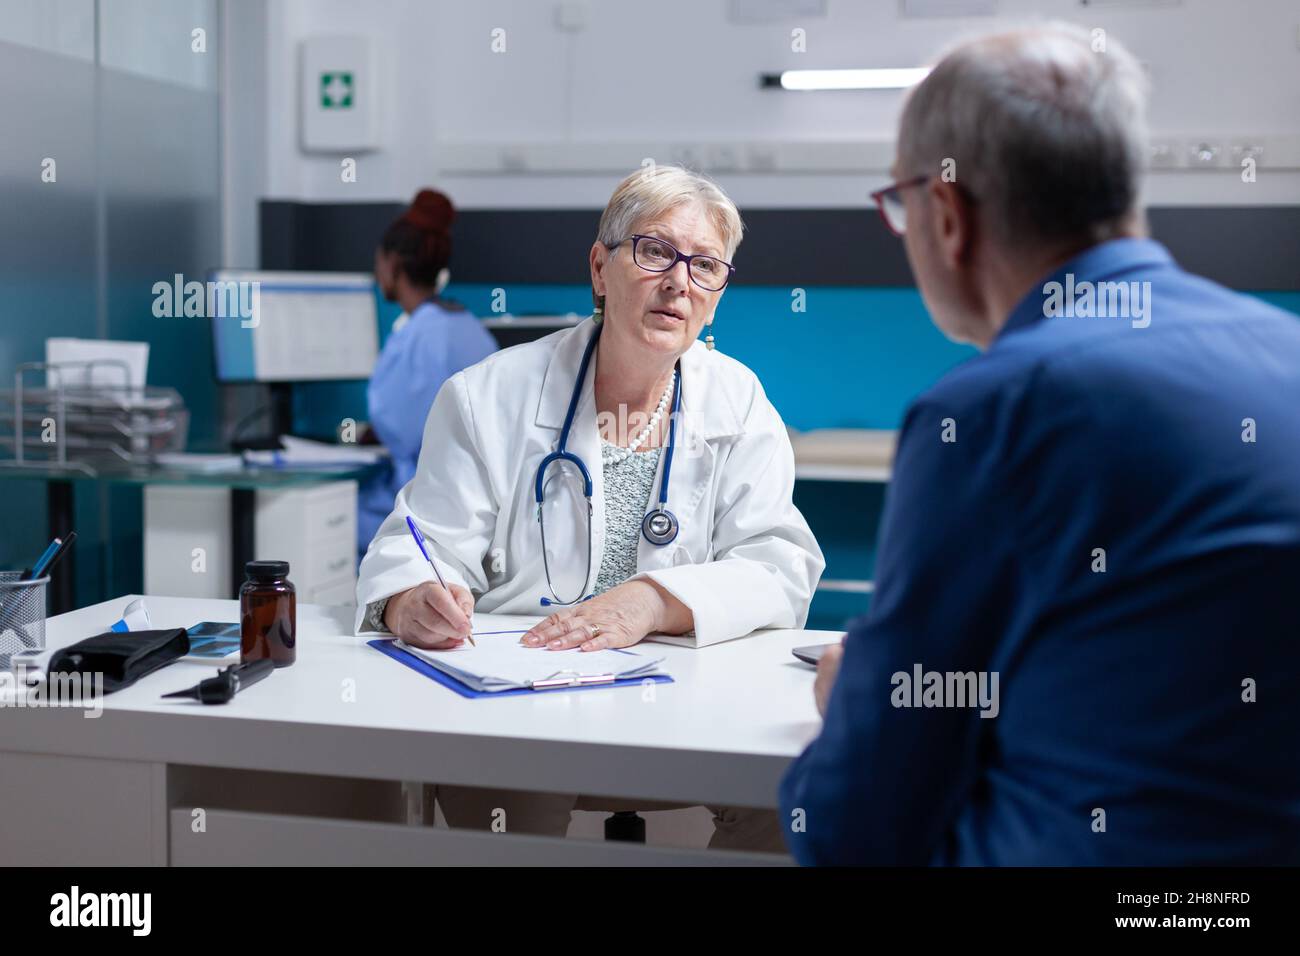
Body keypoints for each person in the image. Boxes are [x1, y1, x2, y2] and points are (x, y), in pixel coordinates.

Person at [780, 23, 1300, 865]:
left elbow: (855, 828)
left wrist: (856, 704)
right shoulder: (1284, 355)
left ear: (945, 215)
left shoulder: (991, 414)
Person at [357, 164, 824, 849]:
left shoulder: (739, 401)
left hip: (686, 694)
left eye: (706, 266)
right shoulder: (488, 395)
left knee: (789, 791)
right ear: (601, 267)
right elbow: (420, 545)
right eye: (656, 251)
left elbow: (779, 564)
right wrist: (411, 601)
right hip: (521, 694)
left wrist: (652, 601)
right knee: (501, 801)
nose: (679, 282)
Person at [357, 189, 497, 557]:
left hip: (424, 504)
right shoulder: (468, 326)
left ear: (393, 264)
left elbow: (401, 434)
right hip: (478, 506)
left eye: (378, 263)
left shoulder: (418, 333)